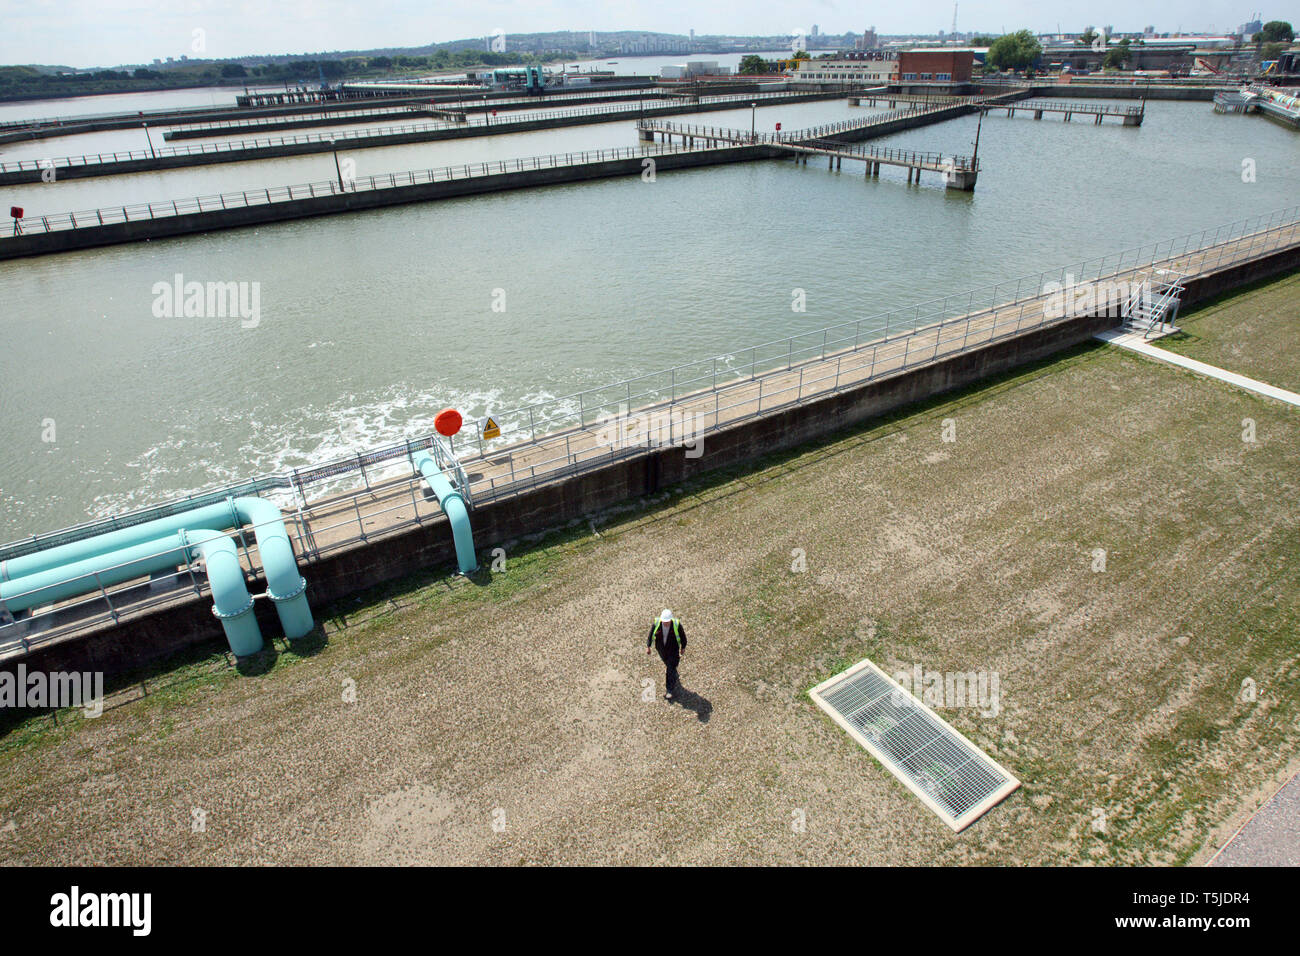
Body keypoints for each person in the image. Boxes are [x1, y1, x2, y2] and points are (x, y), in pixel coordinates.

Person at [646, 609, 687, 700]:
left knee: (670, 668)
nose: (666, 624)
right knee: (669, 665)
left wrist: (683, 647)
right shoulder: (657, 624)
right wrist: (648, 646)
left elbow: (683, 636)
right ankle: (673, 673)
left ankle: (669, 690)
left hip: (673, 650)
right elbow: (650, 634)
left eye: (668, 622)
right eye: (664, 622)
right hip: (661, 649)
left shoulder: (676, 625)